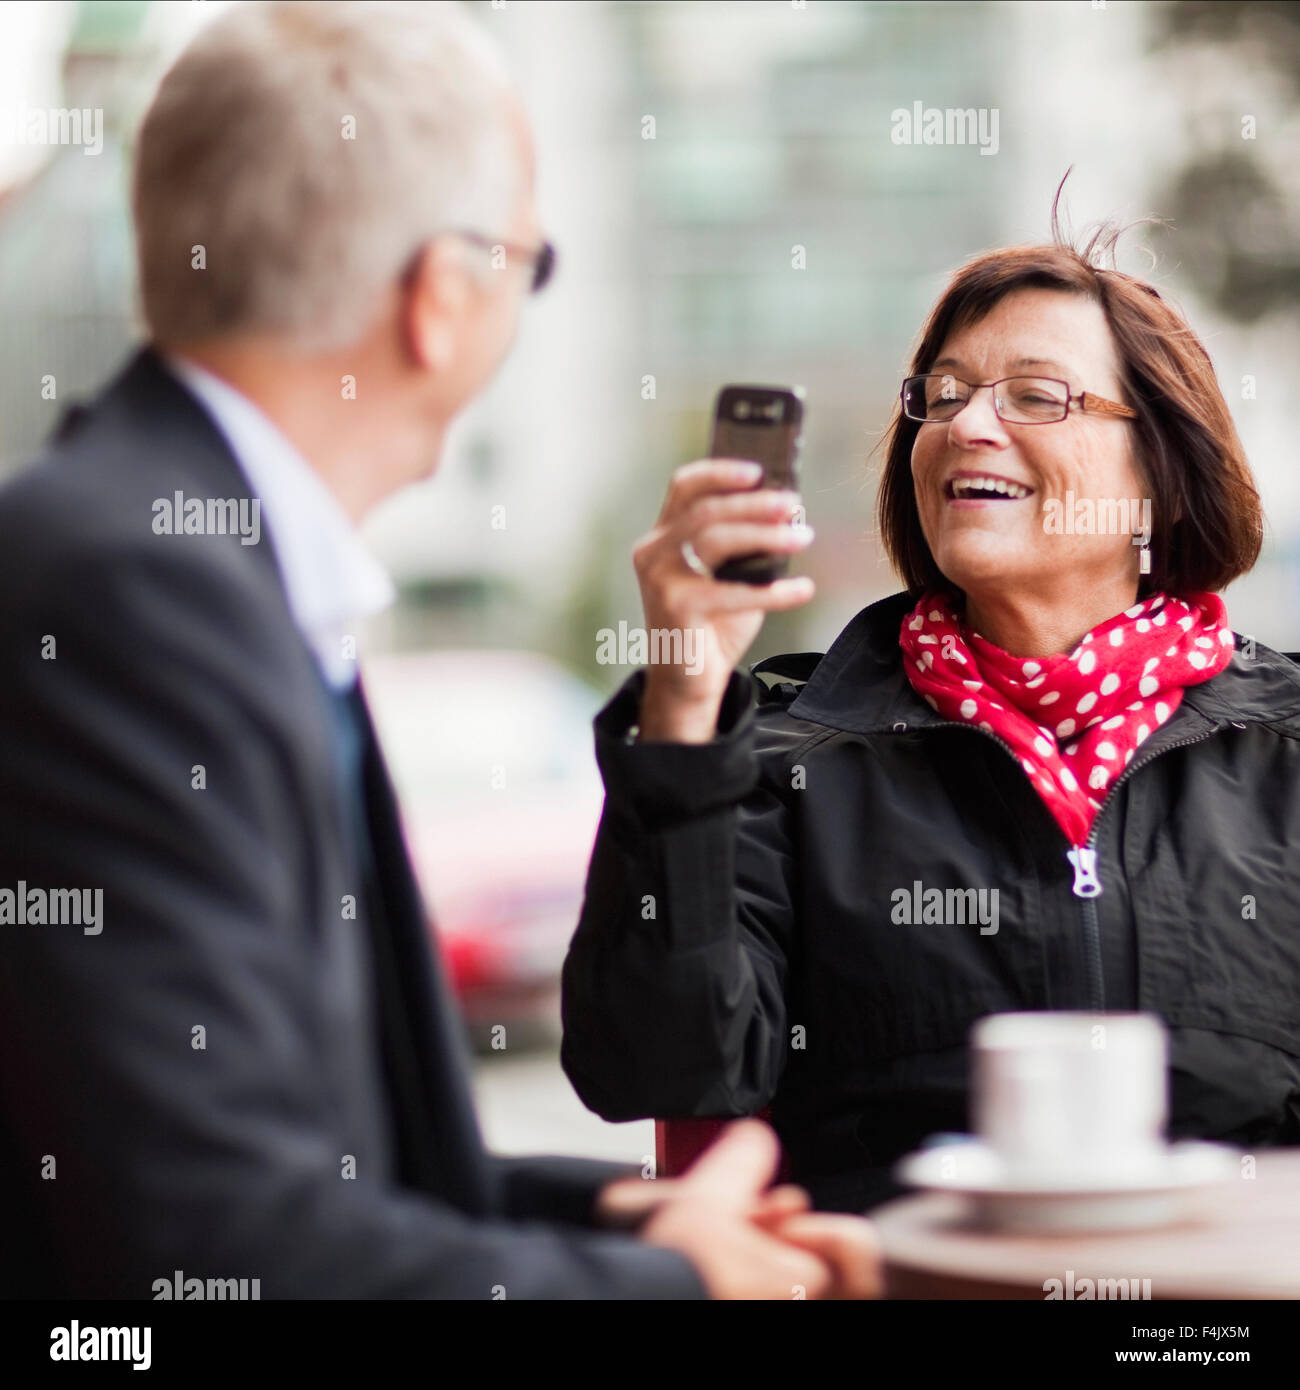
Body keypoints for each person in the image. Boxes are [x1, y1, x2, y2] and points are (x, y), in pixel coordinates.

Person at [0, 1, 880, 1300]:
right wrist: (676, 1290)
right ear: (441, 296)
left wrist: (635, 1228)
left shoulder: (208, 565)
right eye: (533, 263)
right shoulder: (140, 588)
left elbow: (351, 1172)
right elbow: (205, 1242)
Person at [560, 215, 1300, 1215]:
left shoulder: (1282, 751)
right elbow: (653, 1067)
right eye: (942, 395)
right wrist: (685, 704)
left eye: (1035, 396)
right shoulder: (788, 756)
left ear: (1161, 479)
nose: (964, 426)